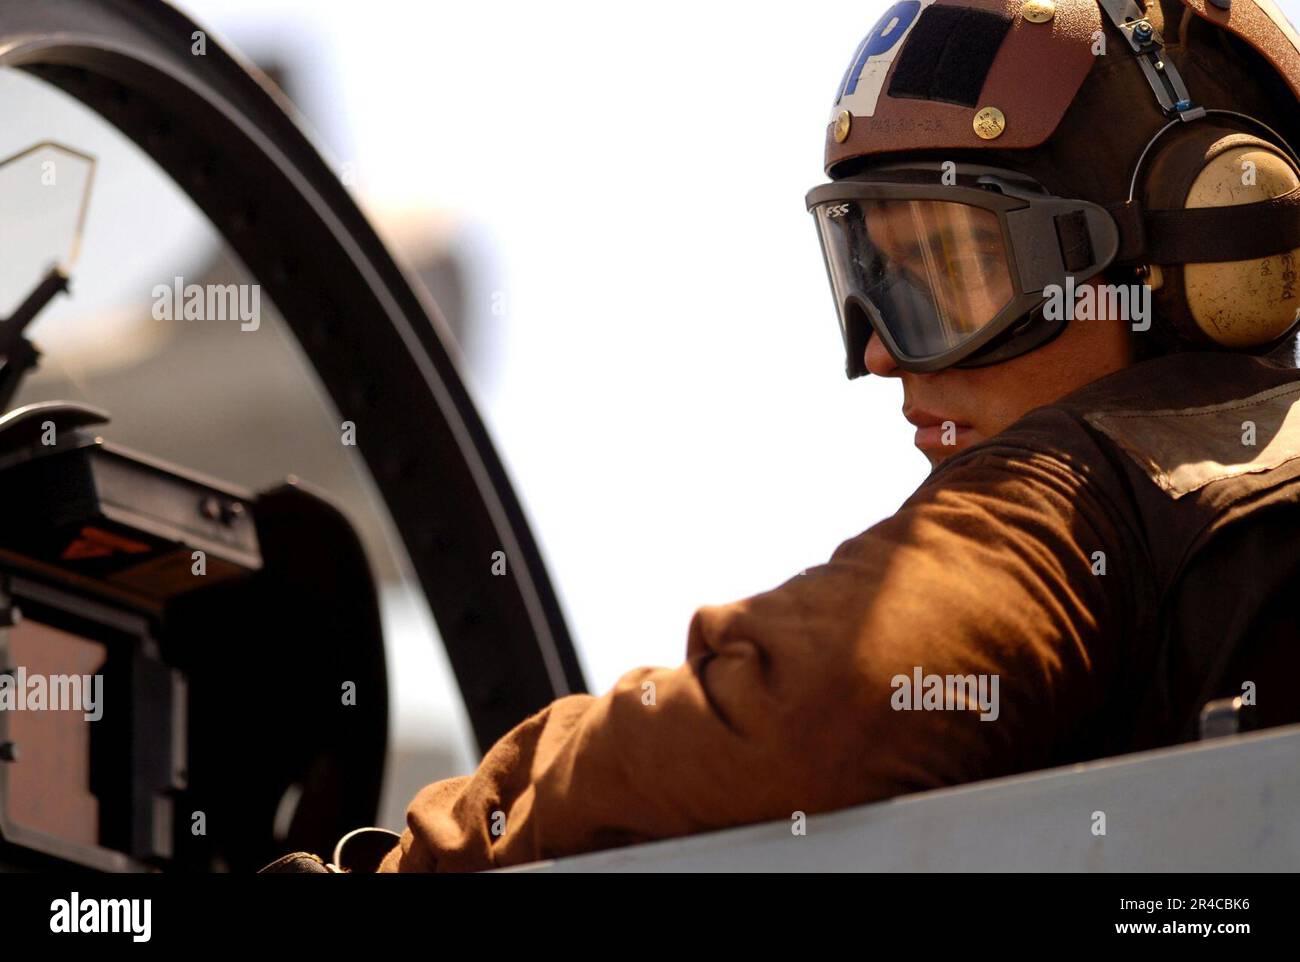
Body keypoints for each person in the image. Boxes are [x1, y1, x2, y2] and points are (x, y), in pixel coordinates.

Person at [367, 0, 1300, 871]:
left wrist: (408, 859)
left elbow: (798, 714)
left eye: (953, 269)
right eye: (877, 278)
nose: (886, 356)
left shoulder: (1080, 494)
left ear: (1207, 250)